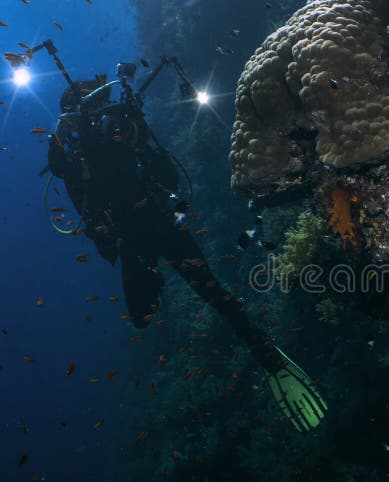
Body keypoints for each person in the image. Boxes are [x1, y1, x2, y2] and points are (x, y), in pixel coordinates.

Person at [47, 77, 327, 432]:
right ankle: (161, 286)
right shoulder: (74, 152)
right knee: (145, 316)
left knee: (213, 293)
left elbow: (168, 178)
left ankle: (266, 354)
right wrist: (63, 144)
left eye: (96, 104)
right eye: (86, 107)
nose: (94, 114)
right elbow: (71, 184)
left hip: (157, 223)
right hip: (132, 238)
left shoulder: (122, 126)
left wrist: (134, 136)